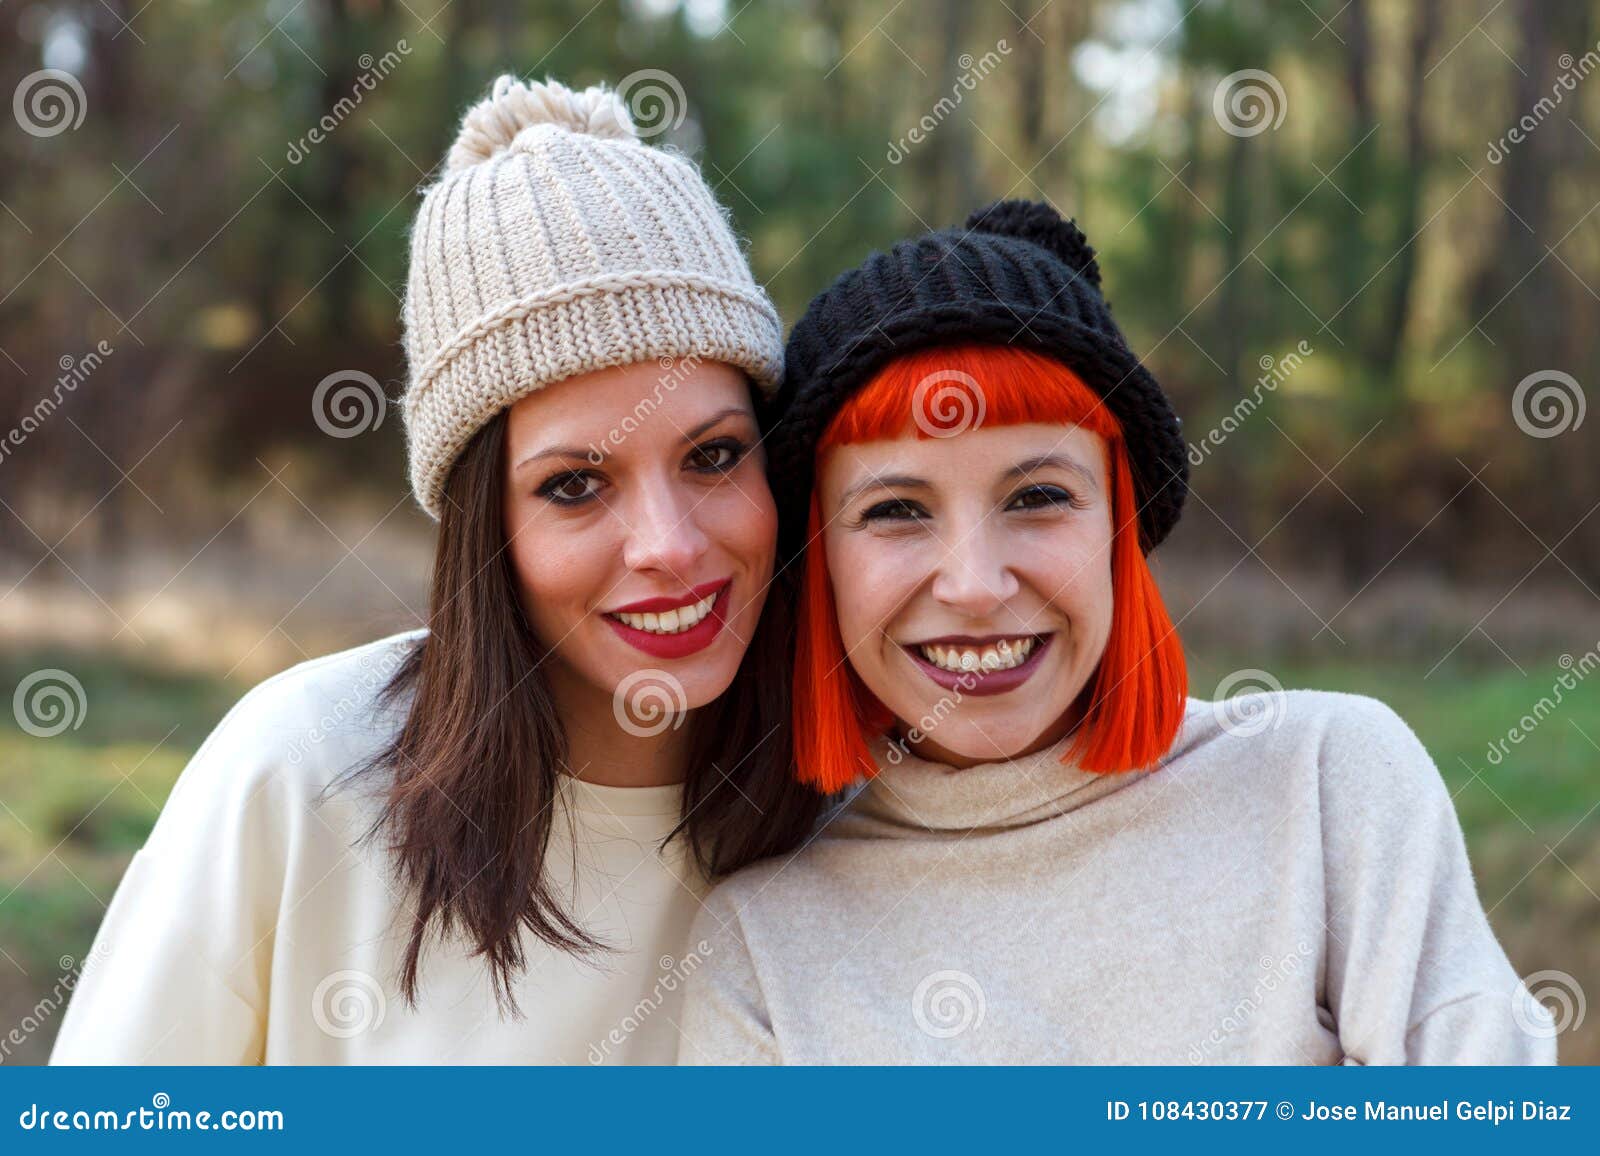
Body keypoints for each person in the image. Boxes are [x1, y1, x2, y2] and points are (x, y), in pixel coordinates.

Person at [51, 75, 822, 1064]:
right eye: (576, 486)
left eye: (712, 455)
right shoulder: (297, 776)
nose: (667, 544)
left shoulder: (853, 813)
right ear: (481, 526)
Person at [677, 199, 1555, 1065]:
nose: (976, 586)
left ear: (1121, 526)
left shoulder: (1326, 786)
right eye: (896, 510)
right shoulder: (759, 950)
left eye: (1038, 497)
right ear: (817, 562)